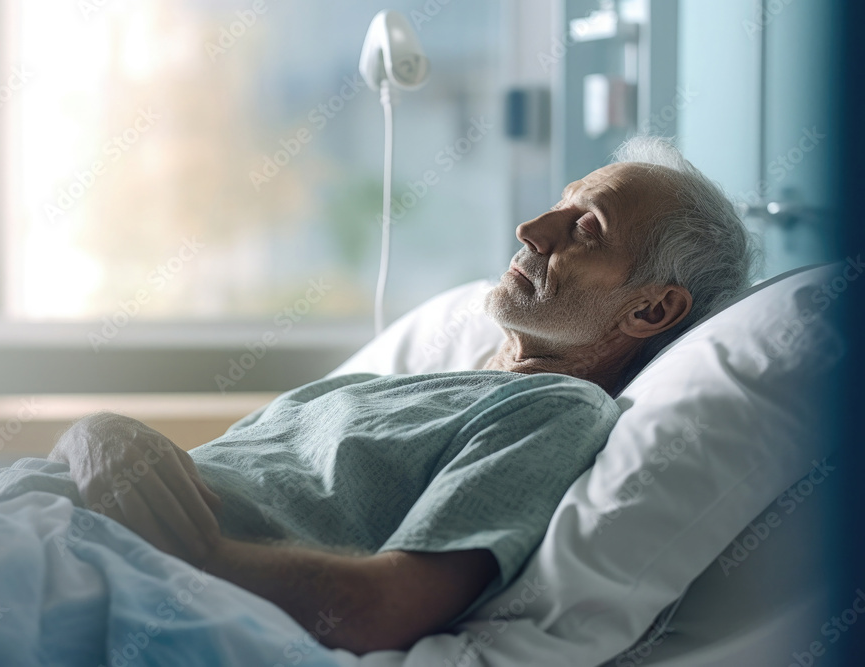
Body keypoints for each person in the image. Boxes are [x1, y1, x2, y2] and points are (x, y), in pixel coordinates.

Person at [48, 136, 757, 655]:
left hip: (81, 578)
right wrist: (95, 433)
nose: (531, 230)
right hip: (37, 517)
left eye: (586, 229)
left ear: (653, 312)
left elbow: (376, 609)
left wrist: (180, 551)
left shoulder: (551, 413)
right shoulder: (419, 384)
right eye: (557, 206)